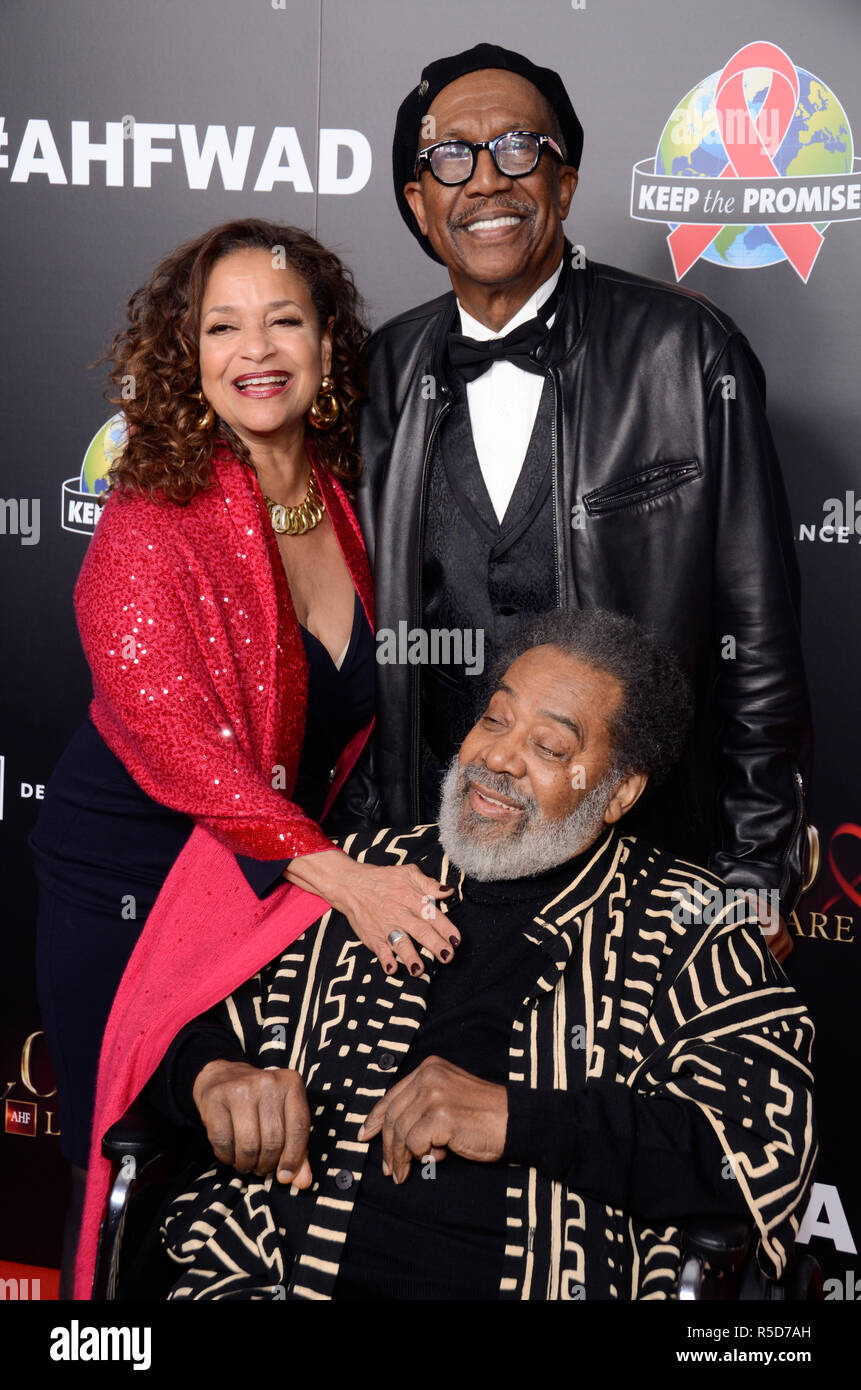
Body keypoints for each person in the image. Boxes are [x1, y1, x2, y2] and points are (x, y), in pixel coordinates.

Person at [116, 608, 814, 1301]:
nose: (498, 758)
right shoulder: (364, 869)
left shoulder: (692, 922)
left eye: (548, 748)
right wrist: (213, 1076)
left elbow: (755, 1144)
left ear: (617, 792)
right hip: (269, 1277)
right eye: (494, 720)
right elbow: (183, 1018)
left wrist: (515, 1116)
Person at [29, 219, 455, 1296]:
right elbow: (174, 738)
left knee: (260, 1163)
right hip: (135, 871)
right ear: (189, 351)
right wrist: (344, 878)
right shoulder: (155, 503)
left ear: (324, 345)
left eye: (283, 321)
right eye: (223, 326)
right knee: (131, 1158)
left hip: (267, 879)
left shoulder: (342, 485)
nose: (254, 349)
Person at [354, 42, 814, 963]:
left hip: (641, 866)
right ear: (418, 203)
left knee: (596, 1110)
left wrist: (757, 868)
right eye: (451, 157)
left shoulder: (689, 353)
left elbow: (756, 638)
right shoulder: (388, 369)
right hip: (439, 867)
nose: (486, 180)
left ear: (563, 184)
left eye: (519, 148)